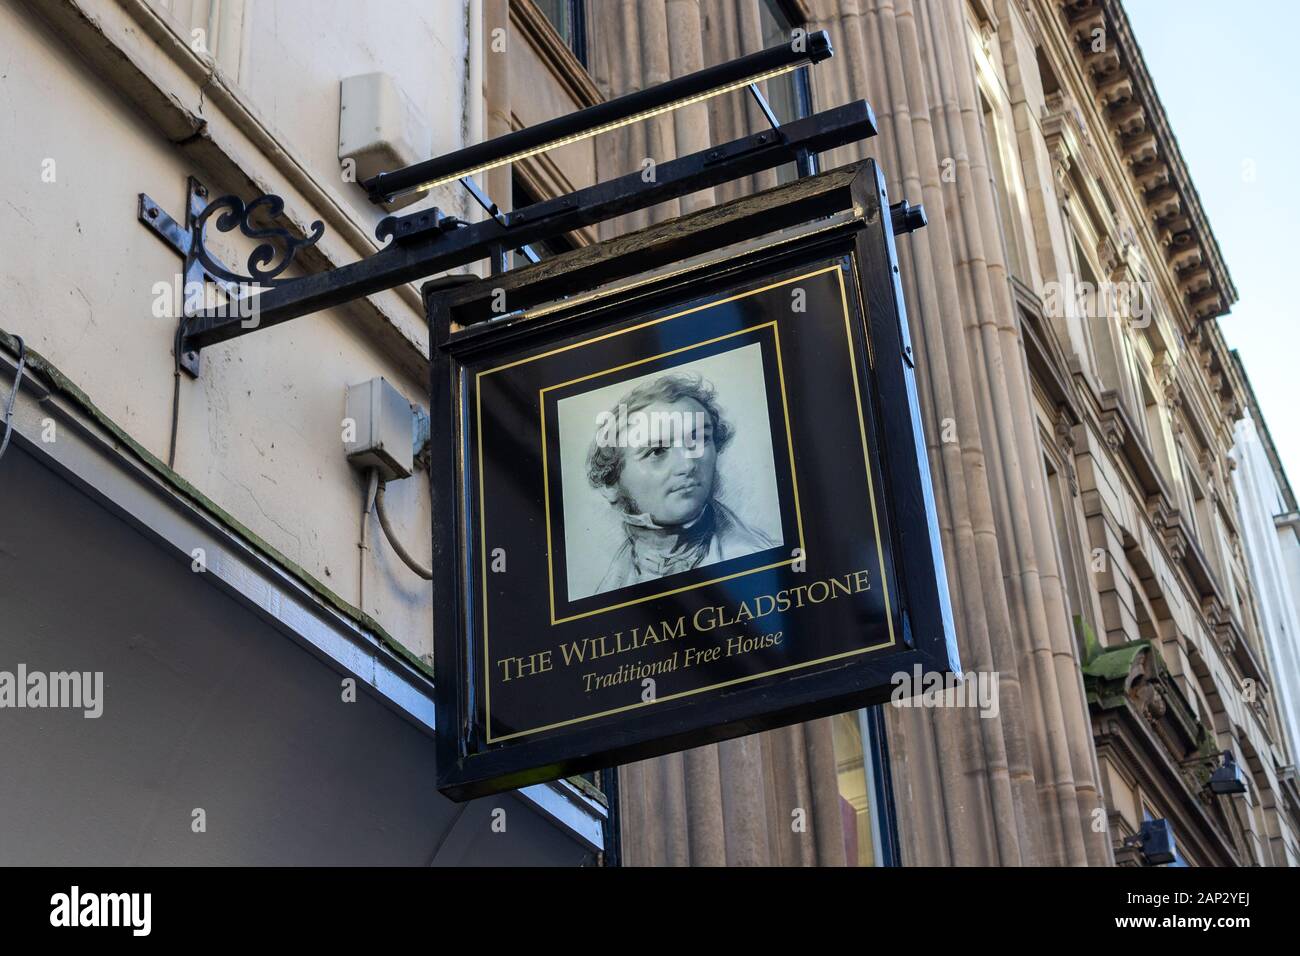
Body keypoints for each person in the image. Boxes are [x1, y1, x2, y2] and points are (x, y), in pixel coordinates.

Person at [585, 372, 776, 595]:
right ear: (611, 481)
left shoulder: (760, 558)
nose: (688, 464)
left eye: (699, 439)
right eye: (657, 451)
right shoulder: (610, 583)